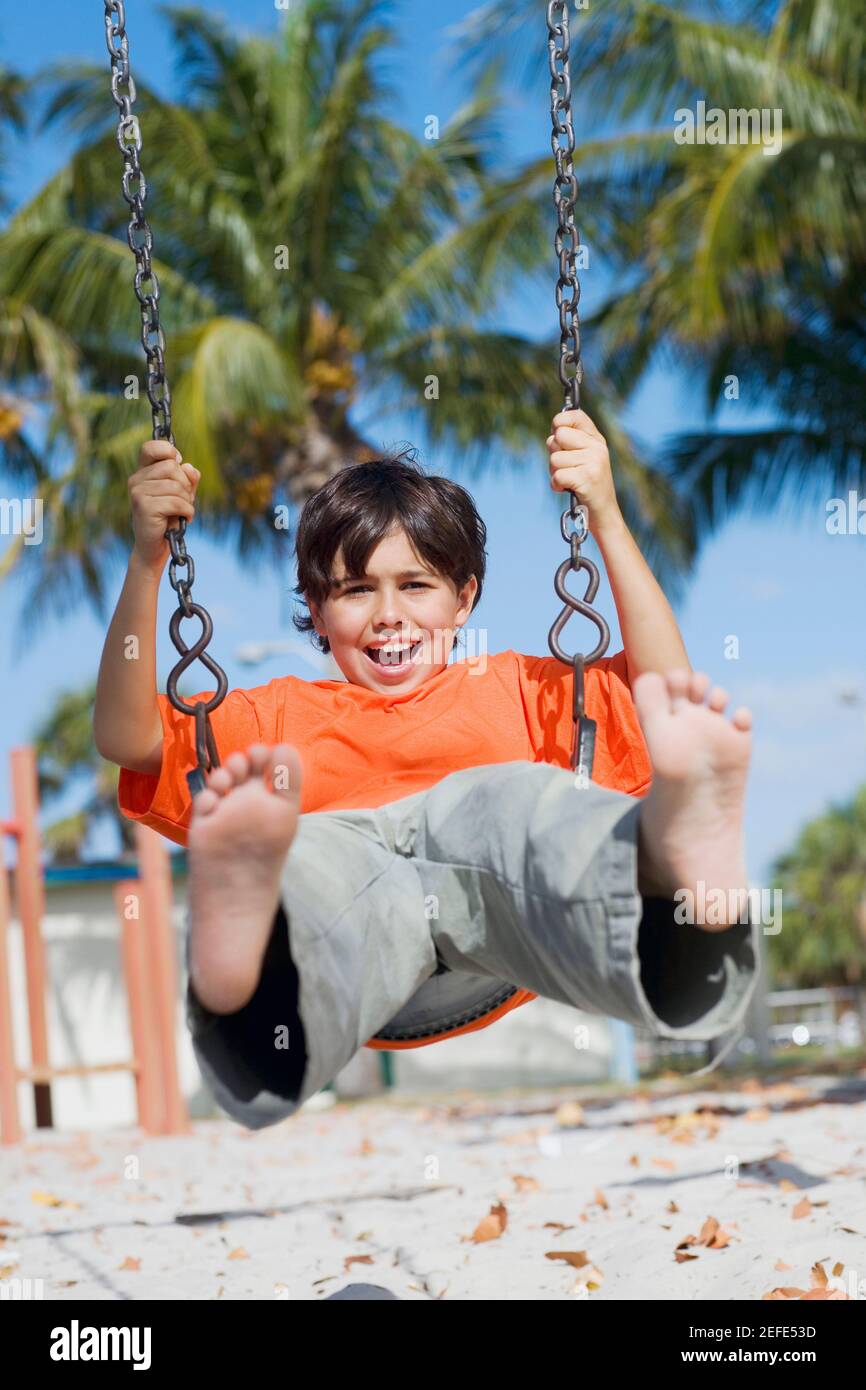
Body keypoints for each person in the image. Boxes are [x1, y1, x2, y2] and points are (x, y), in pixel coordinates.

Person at [94, 410, 759, 1129]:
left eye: (416, 586)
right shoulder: (276, 717)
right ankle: (243, 973)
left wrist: (606, 515)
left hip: (495, 912)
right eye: (353, 591)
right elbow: (127, 740)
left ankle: (669, 868)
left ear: (464, 597)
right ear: (315, 609)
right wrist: (146, 563)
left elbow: (662, 688)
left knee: (518, 808)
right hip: (369, 936)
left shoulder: (519, 687)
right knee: (313, 859)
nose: (387, 615)